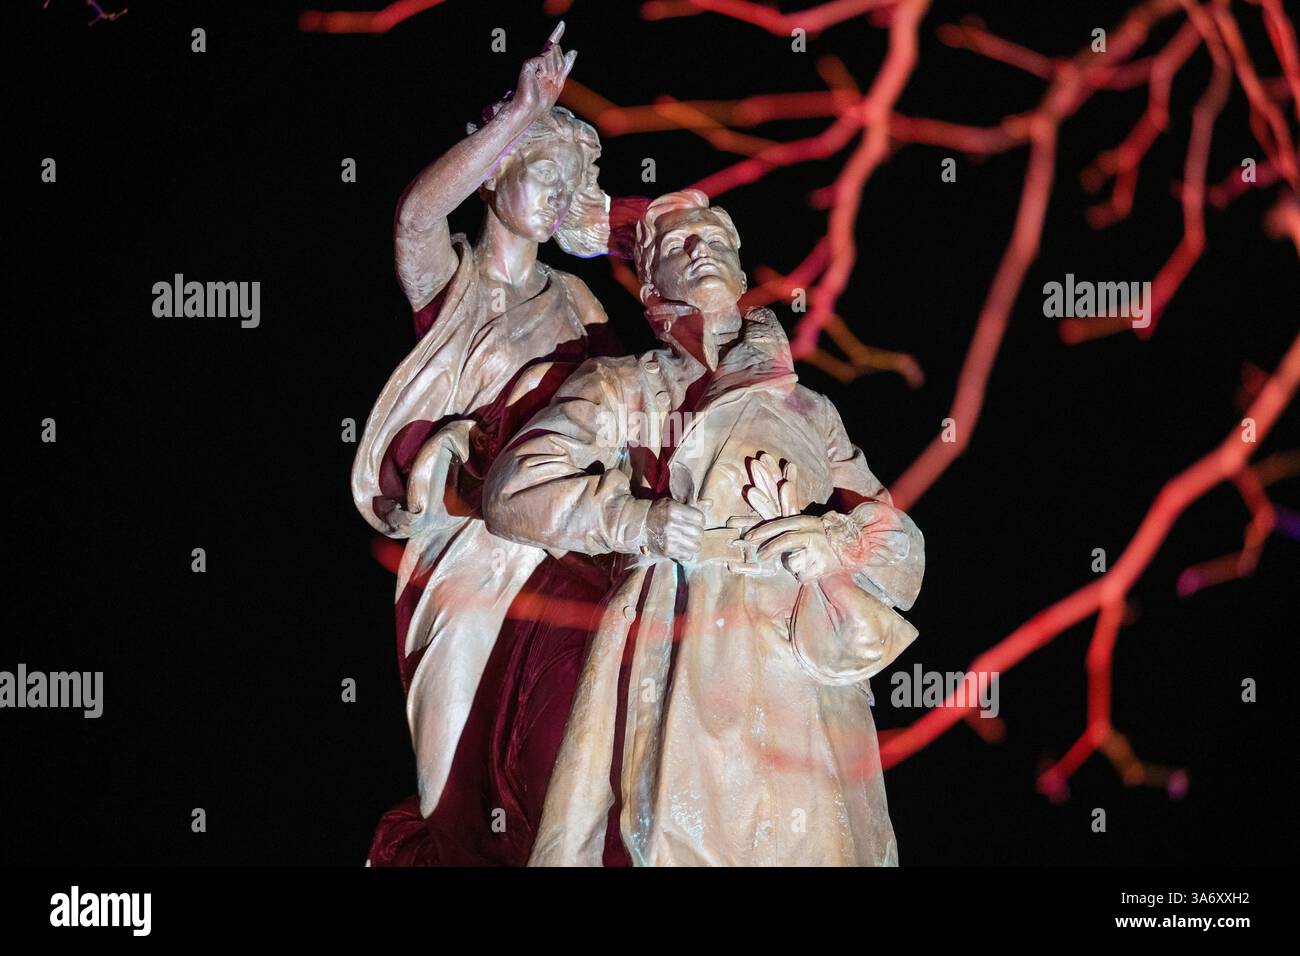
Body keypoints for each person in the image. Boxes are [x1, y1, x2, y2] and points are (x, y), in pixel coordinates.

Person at [483, 190, 926, 866]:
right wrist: (634, 520)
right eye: (678, 245)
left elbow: (902, 555)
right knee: (678, 837)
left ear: (744, 277)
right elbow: (513, 491)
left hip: (799, 662)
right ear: (649, 282)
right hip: (681, 642)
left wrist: (834, 541)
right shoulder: (625, 386)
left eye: (717, 241)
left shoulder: (809, 408)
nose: (700, 250)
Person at [351, 23, 619, 865]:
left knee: (557, 753)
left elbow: (620, 423)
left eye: (569, 181)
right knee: (454, 784)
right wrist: (520, 115)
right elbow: (415, 213)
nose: (555, 192)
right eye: (543, 168)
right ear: (500, 166)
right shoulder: (452, 282)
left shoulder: (583, 309)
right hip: (460, 551)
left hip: (553, 547)